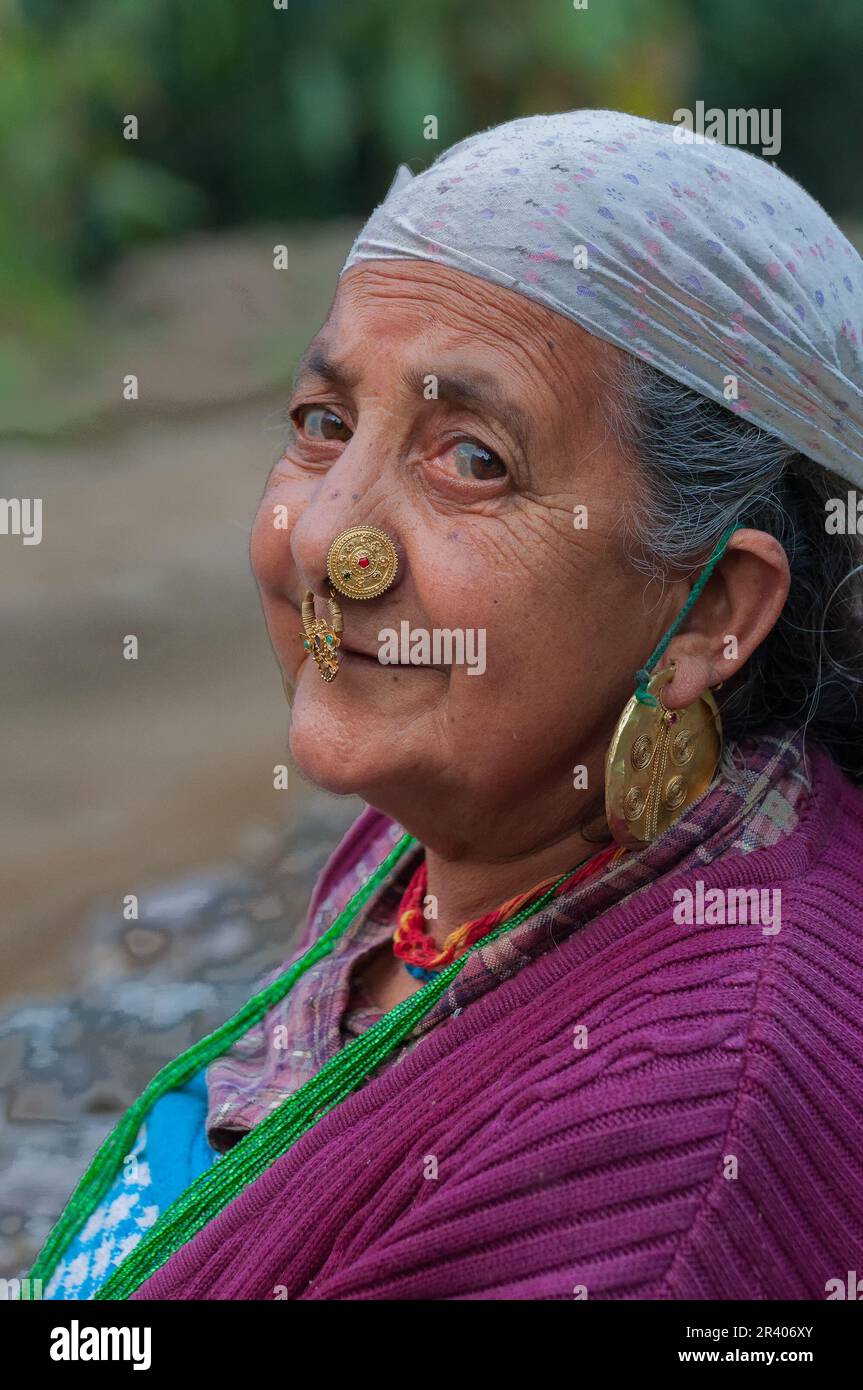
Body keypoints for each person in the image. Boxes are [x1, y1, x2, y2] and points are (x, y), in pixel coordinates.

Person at [40, 109, 863, 1301]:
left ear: (707, 614)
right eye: (323, 427)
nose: (324, 540)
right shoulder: (459, 830)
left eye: (470, 458)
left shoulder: (662, 1164)